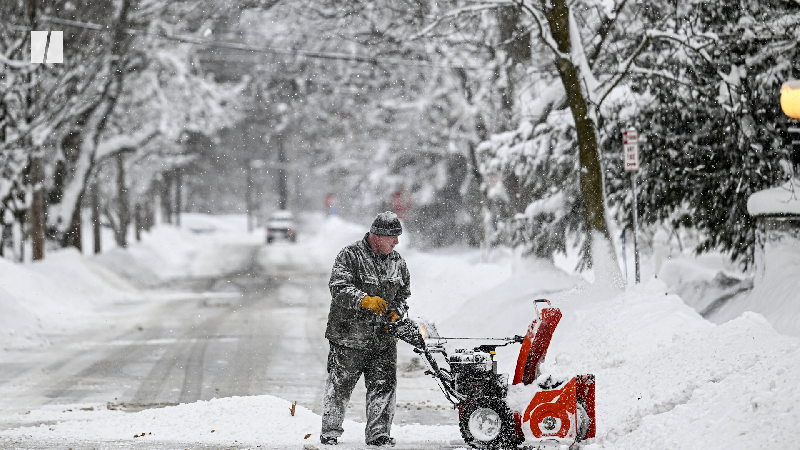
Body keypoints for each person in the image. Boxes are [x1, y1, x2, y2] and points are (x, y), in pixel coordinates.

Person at [320, 211, 410, 447]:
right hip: (349, 338)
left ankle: (378, 435)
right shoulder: (350, 256)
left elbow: (404, 295)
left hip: (384, 339)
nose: (397, 242)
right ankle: (330, 432)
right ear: (377, 236)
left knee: (383, 387)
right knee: (340, 386)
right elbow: (338, 288)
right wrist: (364, 300)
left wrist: (397, 311)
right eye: (393, 238)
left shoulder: (398, 263)